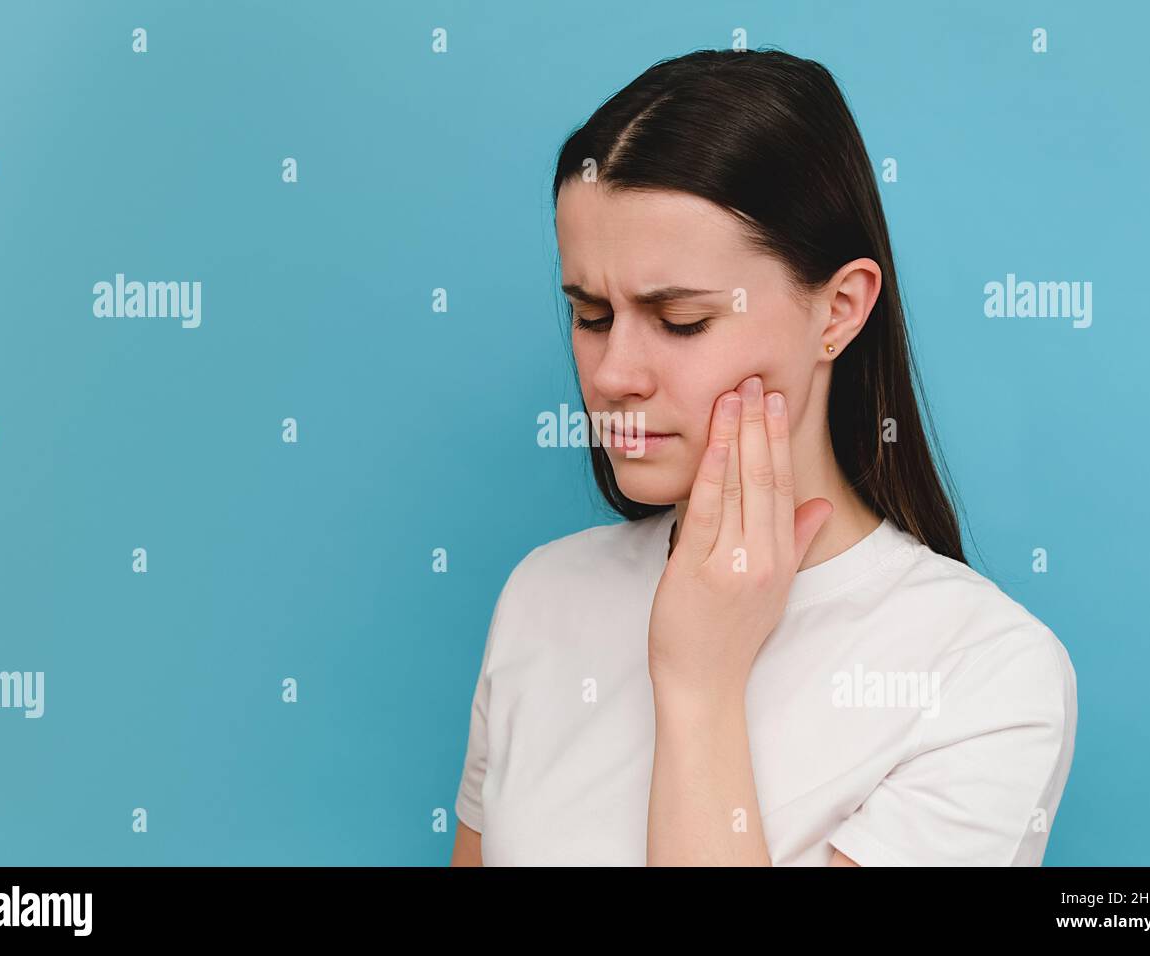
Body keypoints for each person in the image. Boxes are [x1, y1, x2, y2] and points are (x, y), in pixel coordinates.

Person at [450, 49, 1077, 866]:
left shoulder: (986, 675)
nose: (611, 377)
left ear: (840, 311)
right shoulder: (543, 596)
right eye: (592, 315)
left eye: (680, 321)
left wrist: (700, 687)